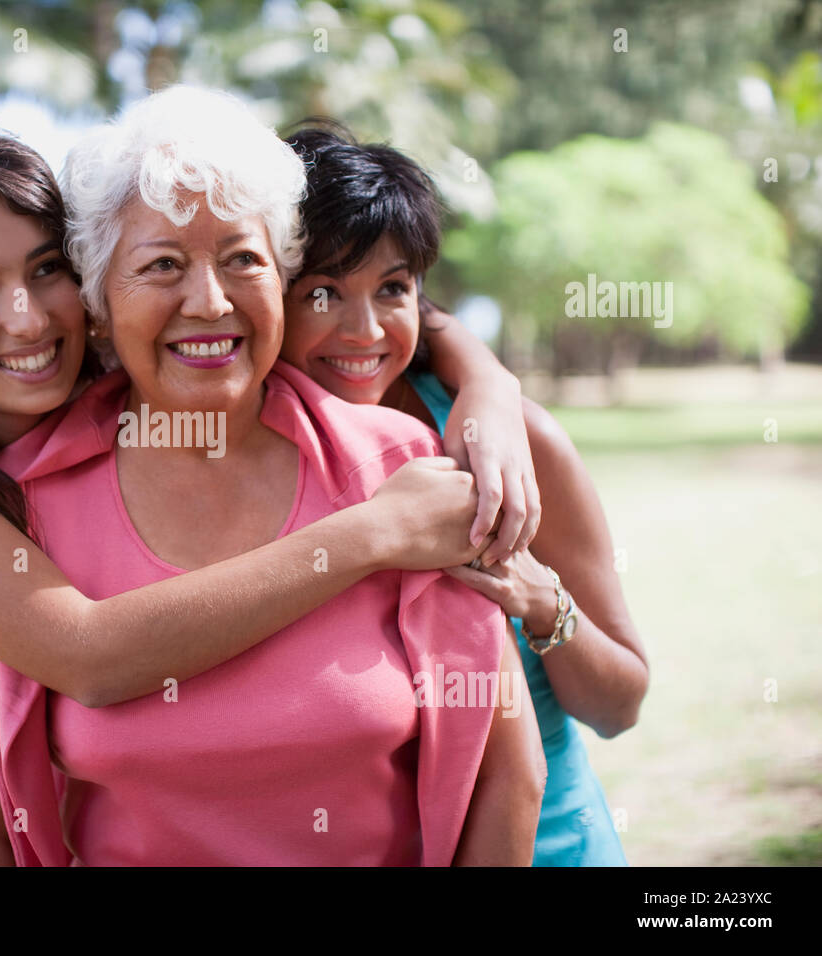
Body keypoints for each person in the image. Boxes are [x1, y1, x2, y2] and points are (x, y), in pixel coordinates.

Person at [0, 122, 530, 865]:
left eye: (45, 270)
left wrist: (489, 384)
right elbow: (87, 654)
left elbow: (393, 307)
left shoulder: (96, 373)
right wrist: (369, 536)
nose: (27, 316)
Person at [0, 85, 546, 867]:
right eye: (162, 265)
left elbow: (508, 776)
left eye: (242, 260)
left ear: (282, 279)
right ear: (96, 303)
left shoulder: (401, 465)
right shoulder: (21, 502)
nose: (209, 301)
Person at [279, 124, 649, 865]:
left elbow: (622, 704)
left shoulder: (511, 444)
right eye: (322, 291)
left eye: (392, 289)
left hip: (552, 844)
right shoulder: (246, 452)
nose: (364, 329)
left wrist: (543, 603)